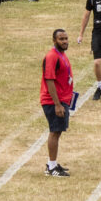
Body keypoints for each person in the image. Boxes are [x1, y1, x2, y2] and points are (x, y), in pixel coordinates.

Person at [40, 29, 74, 178]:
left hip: (61, 99)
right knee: (54, 132)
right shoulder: (52, 56)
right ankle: (51, 167)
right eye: (61, 39)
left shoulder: (61, 54)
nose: (65, 41)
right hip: (54, 101)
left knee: (58, 131)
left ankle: (51, 164)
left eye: (66, 38)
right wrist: (57, 104)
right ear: (54, 40)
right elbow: (49, 80)